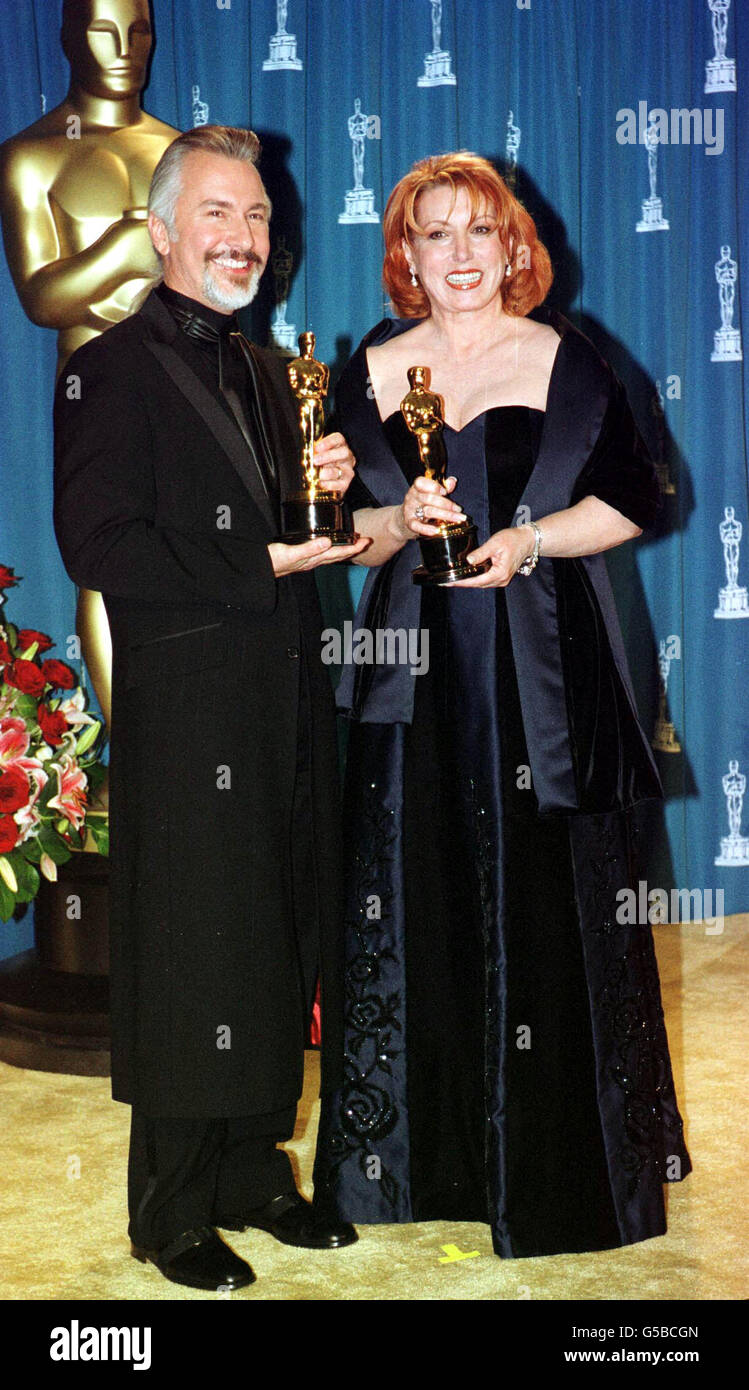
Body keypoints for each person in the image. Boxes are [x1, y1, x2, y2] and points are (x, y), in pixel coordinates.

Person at [314, 151, 691, 1259]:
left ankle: (560, 1174)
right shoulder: (369, 369)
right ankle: (417, 1166)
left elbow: (633, 499)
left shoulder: (570, 362)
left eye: (479, 231)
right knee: (410, 894)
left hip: (543, 674)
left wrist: (529, 538)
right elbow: (352, 531)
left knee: (549, 908)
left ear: (512, 246)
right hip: (411, 680)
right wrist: (392, 517)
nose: (461, 255)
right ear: (408, 257)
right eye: (436, 235)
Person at [53, 124, 367, 1291]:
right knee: (195, 947)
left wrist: (323, 486)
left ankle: (250, 1172)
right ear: (162, 229)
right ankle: (170, 1209)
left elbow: (279, 523)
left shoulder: (263, 363)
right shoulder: (108, 363)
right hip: (189, 707)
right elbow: (96, 540)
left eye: (259, 219)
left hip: (285, 688)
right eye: (220, 216)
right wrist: (260, 568)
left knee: (277, 926)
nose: (243, 238)